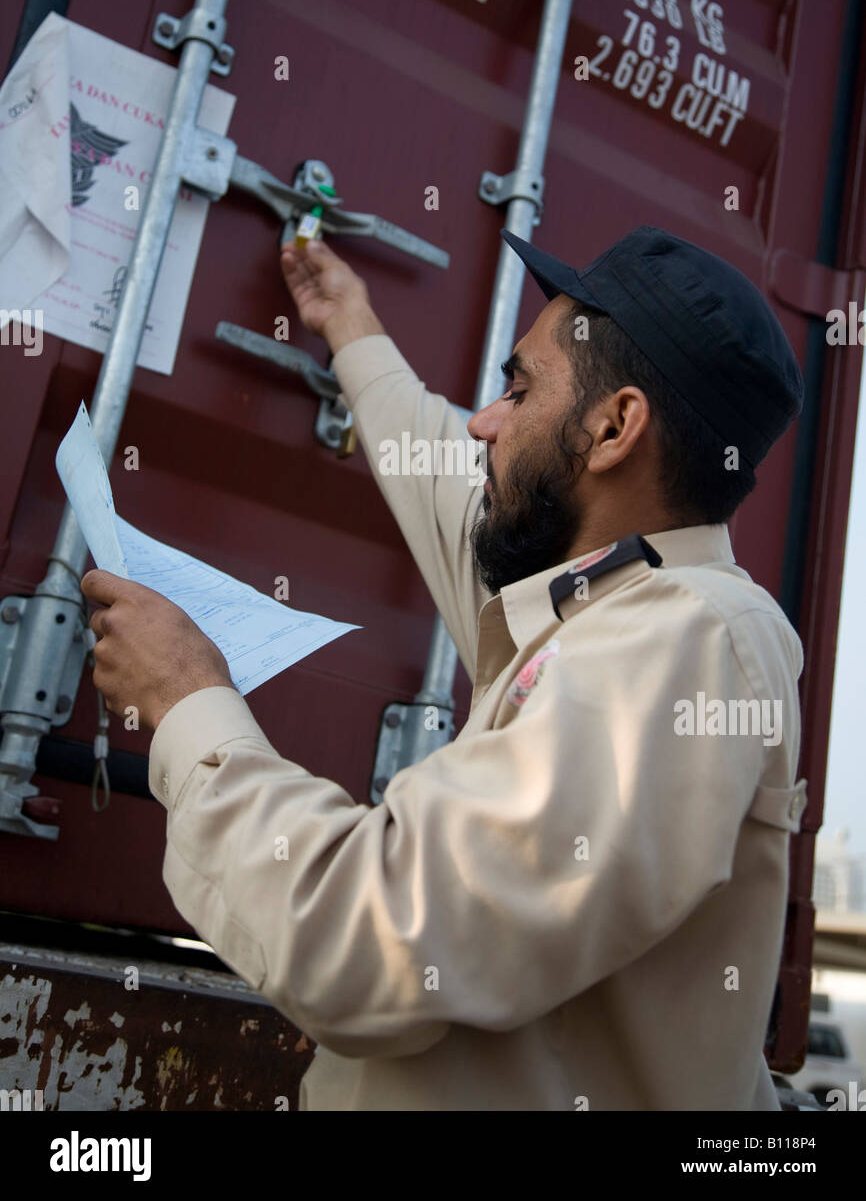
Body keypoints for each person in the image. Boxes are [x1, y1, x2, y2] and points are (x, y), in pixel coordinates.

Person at [82, 225, 809, 1111]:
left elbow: (373, 935)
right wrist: (350, 326)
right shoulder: (599, 600)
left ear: (614, 427)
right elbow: (438, 474)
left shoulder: (689, 636)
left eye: (518, 388)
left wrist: (188, 700)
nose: (482, 421)